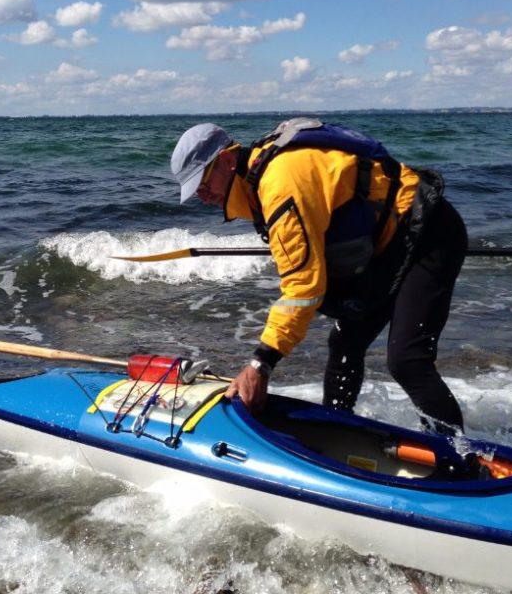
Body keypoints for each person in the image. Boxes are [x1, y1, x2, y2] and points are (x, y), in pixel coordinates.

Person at [171, 118, 467, 434]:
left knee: (407, 360)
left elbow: (303, 287)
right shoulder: (259, 180)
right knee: (345, 342)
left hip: (428, 232)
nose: (203, 197)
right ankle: (336, 431)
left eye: (204, 184)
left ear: (227, 161)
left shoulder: (280, 184)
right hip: (388, 247)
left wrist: (261, 363)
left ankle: (456, 453)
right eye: (196, 191)